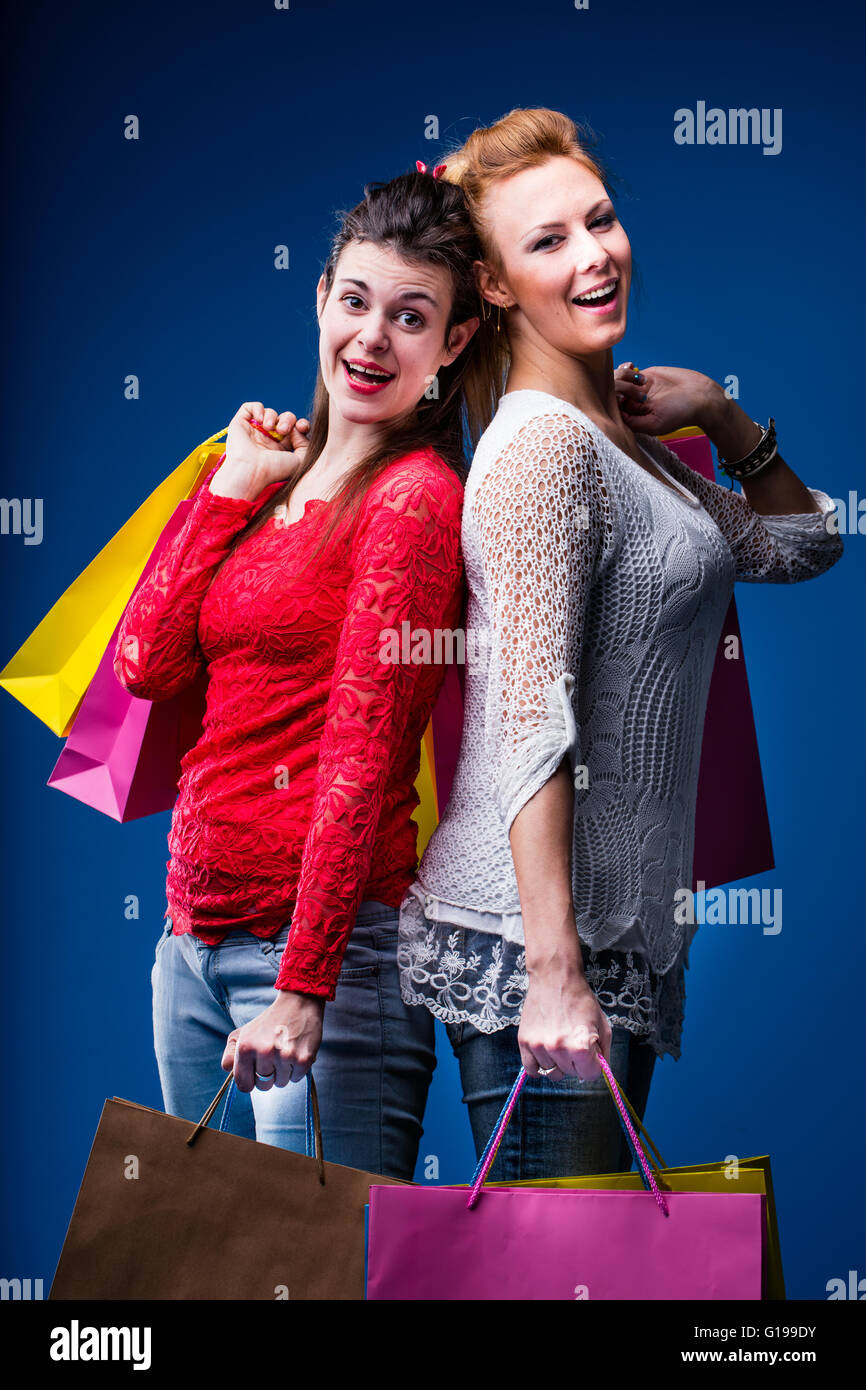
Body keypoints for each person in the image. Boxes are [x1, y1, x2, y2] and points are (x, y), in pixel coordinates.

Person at [395, 107, 845, 1179]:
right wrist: (553, 969)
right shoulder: (540, 453)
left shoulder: (628, 452)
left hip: (615, 946)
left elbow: (803, 547)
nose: (592, 254)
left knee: (580, 1275)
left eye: (597, 220)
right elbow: (523, 715)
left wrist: (723, 420)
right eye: (546, 241)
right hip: (531, 952)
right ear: (494, 287)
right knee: (557, 1280)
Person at [113, 164, 481, 1180]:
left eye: (410, 318)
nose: (370, 338)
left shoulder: (410, 500)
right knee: (211, 1280)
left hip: (321, 958)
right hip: (190, 941)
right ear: (319, 296)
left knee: (314, 1285)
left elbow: (362, 759)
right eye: (355, 301)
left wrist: (304, 986)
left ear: (450, 344)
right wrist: (229, 486)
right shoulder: (266, 479)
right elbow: (144, 665)